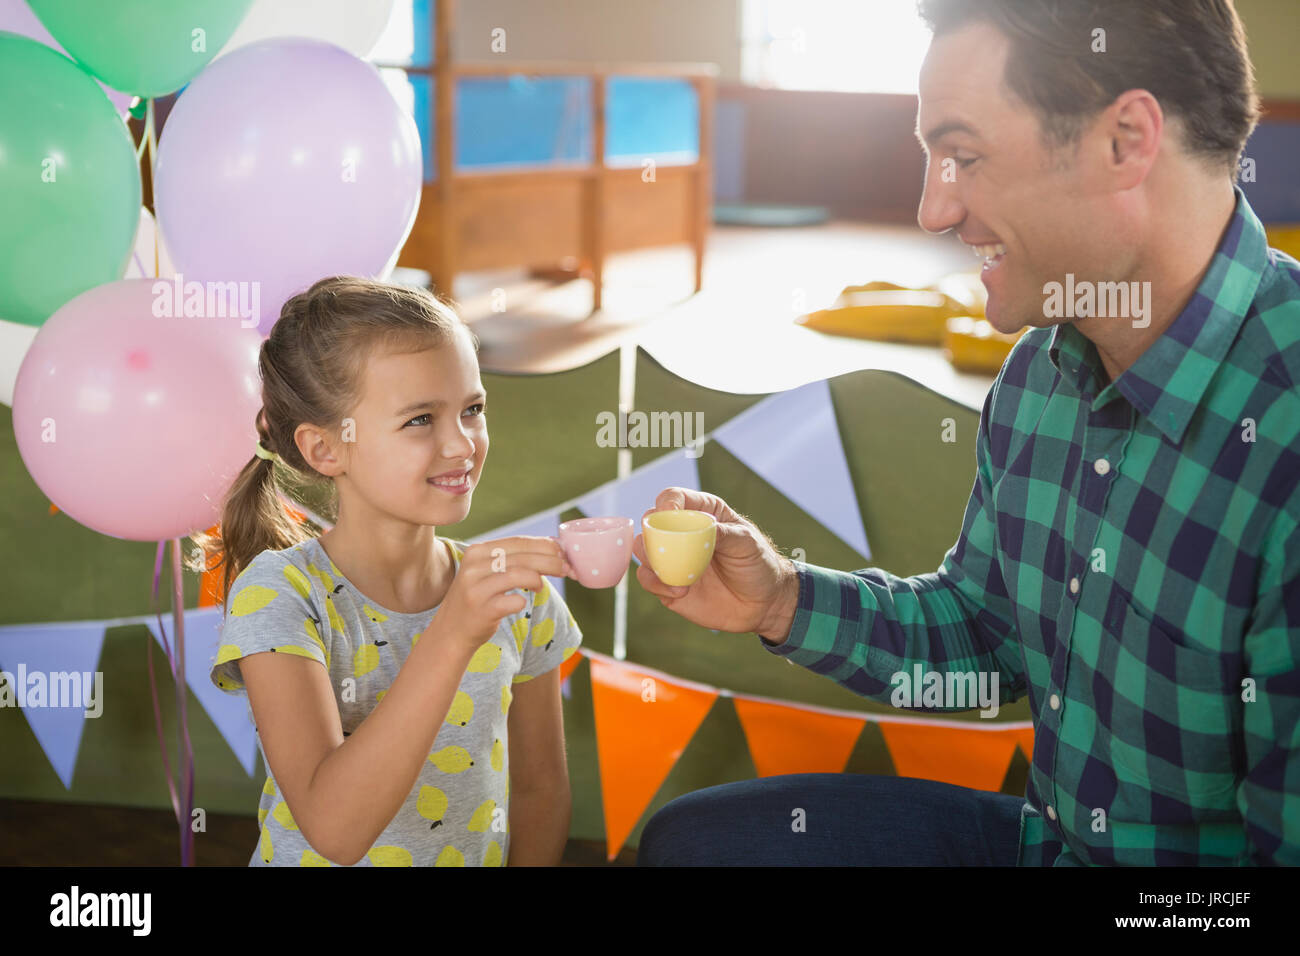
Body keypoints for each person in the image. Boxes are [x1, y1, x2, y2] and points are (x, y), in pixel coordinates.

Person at [634, 0, 1299, 866]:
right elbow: (986, 638)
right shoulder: (1038, 375)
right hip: (1043, 845)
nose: (932, 209)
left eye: (965, 157)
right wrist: (779, 598)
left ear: (1126, 141)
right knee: (699, 847)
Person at [191, 276, 583, 866]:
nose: (460, 445)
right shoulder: (279, 595)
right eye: (420, 419)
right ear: (325, 449)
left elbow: (540, 790)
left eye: (472, 409)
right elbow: (335, 830)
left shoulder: (515, 597)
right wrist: (452, 634)